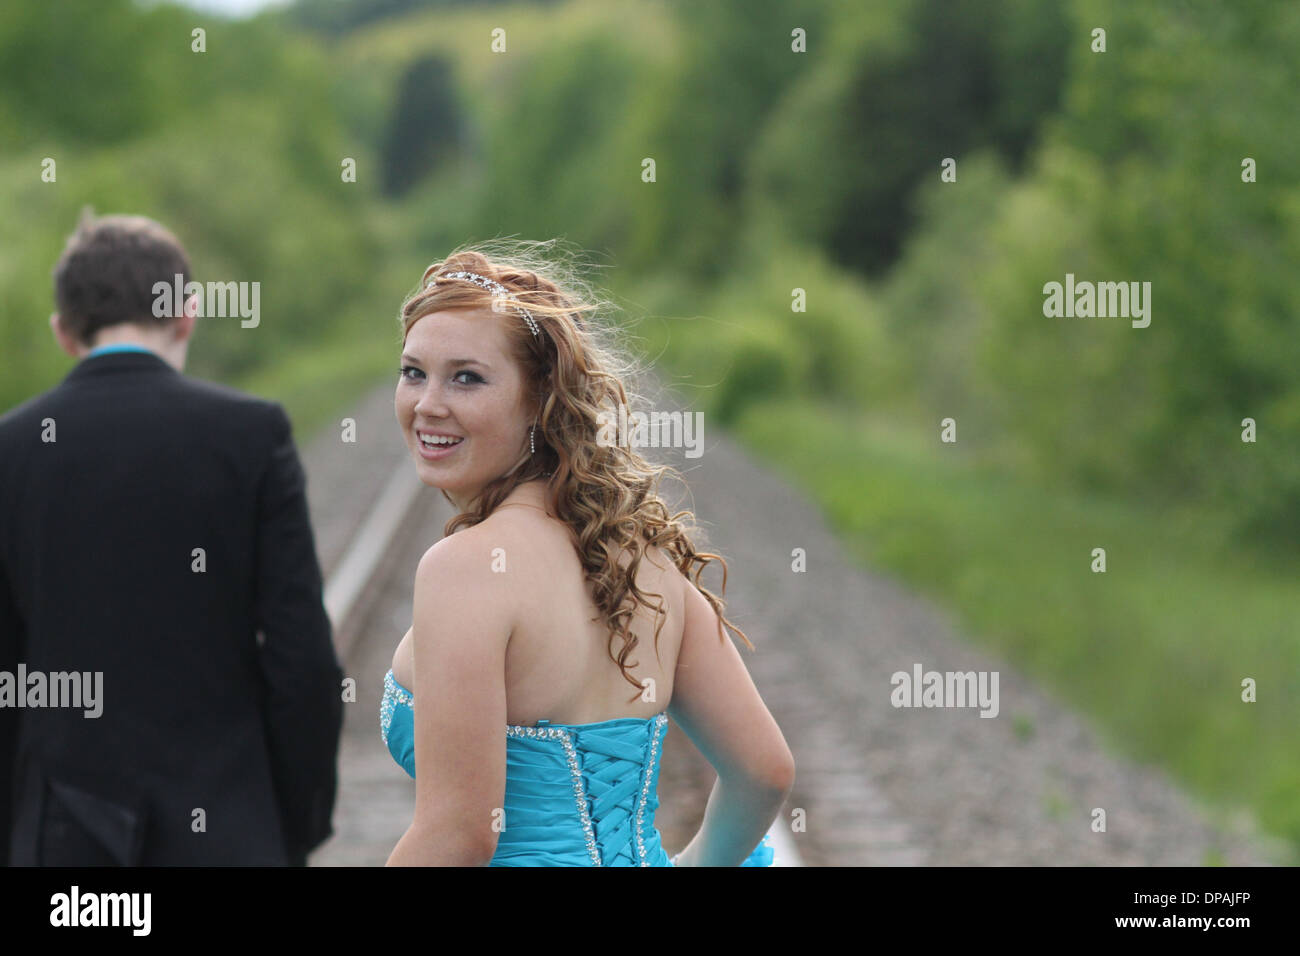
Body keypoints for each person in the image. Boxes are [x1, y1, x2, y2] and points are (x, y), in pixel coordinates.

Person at [380, 243, 793, 866]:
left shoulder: (463, 569)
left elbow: (459, 834)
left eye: (466, 377)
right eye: (414, 372)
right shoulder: (643, 559)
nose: (428, 403)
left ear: (539, 401)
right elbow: (764, 772)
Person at [0, 210, 343, 865]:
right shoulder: (252, 434)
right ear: (186, 315)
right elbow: (302, 659)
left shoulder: (11, 450)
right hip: (225, 830)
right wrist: (293, 822)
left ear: (64, 332)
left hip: (65, 839)